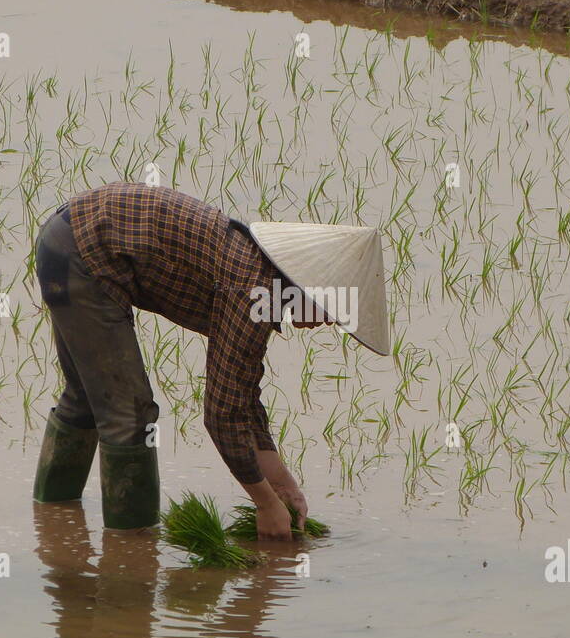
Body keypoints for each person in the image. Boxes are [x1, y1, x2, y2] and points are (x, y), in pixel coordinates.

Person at [31, 182, 390, 540]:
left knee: (86, 397)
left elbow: (243, 397)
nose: (328, 321)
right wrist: (266, 504)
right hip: (83, 254)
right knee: (129, 414)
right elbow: (222, 414)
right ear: (309, 286)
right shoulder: (253, 292)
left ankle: (51, 519)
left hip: (66, 237)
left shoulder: (264, 282)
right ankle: (132, 548)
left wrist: (282, 485)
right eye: (331, 309)